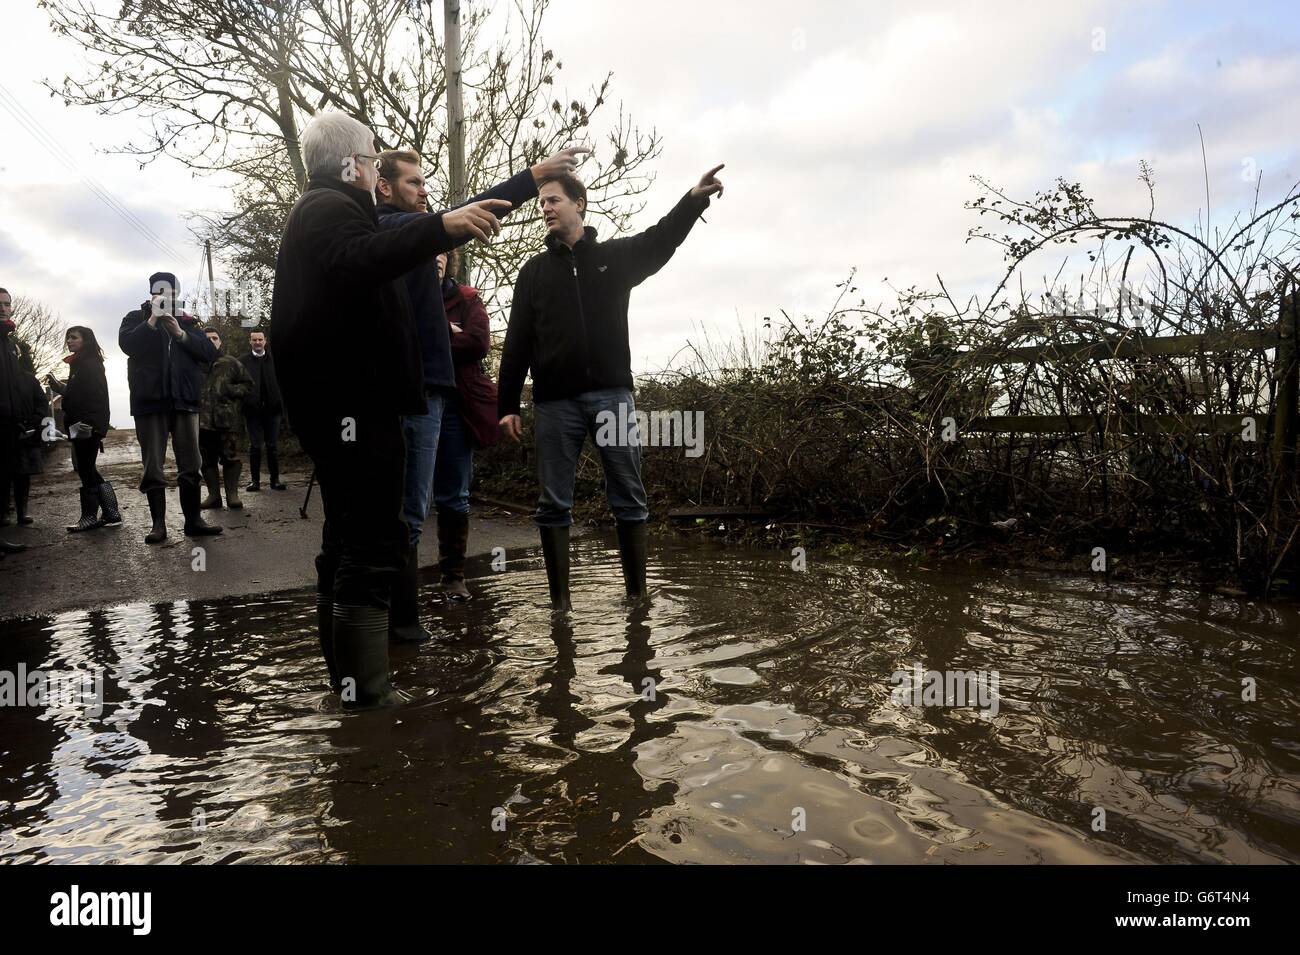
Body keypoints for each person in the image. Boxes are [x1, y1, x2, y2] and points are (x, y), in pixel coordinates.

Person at [270, 109, 513, 708]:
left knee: (349, 540)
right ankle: (366, 698)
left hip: (347, 406)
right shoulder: (328, 211)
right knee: (371, 544)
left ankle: (351, 689)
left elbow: (379, 249)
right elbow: (368, 254)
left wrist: (526, 179)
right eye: (374, 158)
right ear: (353, 164)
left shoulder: (330, 214)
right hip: (353, 408)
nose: (378, 168)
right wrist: (440, 227)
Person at [374, 143, 586, 639]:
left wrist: (530, 179)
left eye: (427, 183)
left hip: (440, 395)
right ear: (383, 186)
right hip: (411, 394)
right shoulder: (385, 230)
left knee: (434, 500)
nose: (425, 192)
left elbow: (478, 340)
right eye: (414, 183)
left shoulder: (444, 270)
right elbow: (449, 220)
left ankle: (413, 610)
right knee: (406, 509)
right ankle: (397, 625)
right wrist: (530, 178)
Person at [497, 164, 725, 609]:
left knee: (628, 496)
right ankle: (559, 604)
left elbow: (661, 239)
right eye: (541, 201)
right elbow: (517, 342)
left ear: (578, 205)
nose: (544, 207)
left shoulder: (615, 259)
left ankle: (637, 598)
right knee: (553, 503)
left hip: (611, 396)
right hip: (554, 403)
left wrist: (694, 199)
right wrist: (508, 404)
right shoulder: (533, 273)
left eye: (553, 199)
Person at [118, 273, 222, 543]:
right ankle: (158, 525)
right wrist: (152, 319)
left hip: (185, 401)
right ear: (152, 294)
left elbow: (209, 354)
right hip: (150, 403)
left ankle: (194, 521)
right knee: (153, 465)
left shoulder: (190, 321)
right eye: (160, 292)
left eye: (171, 292)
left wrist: (180, 333)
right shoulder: (134, 318)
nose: (166, 296)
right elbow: (128, 345)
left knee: (191, 464)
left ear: (177, 293)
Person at [434, 249, 501, 601]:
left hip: (458, 406)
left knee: (454, 494)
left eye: (443, 253)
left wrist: (435, 333)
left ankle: (453, 576)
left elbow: (478, 342)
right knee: (408, 497)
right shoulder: (400, 293)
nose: (437, 258)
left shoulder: (467, 298)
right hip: (414, 403)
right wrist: (447, 330)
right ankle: (397, 584)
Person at [46, 326, 119, 532]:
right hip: (82, 424)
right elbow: (76, 394)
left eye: (74, 337)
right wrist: (59, 387)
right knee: (87, 468)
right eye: (68, 337)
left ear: (85, 340)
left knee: (86, 469)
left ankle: (90, 517)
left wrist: (91, 425)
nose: (69, 341)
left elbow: (96, 397)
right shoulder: (80, 364)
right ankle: (111, 512)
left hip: (85, 425)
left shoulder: (89, 364)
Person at [0, 287, 50, 541]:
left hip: (19, 427)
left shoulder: (9, 344)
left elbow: (40, 402)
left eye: (7, 304)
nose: (3, 308)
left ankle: (19, 511)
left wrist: (32, 423)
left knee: (19, 474)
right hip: (6, 424)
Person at [198, 327, 255, 510]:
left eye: (215, 338)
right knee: (207, 460)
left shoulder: (231, 363)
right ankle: (214, 496)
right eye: (207, 338)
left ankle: (232, 495)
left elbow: (249, 384)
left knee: (231, 457)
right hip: (202, 422)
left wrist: (232, 391)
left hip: (227, 420)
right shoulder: (195, 363)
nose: (212, 341)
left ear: (220, 341)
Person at [238, 329, 285, 491]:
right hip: (253, 412)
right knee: (255, 446)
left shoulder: (275, 359)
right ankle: (255, 481)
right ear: (250, 341)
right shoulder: (242, 361)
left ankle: (275, 480)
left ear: (265, 341)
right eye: (254, 340)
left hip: (273, 410)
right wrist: (246, 401)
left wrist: (280, 402)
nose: (257, 342)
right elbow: (236, 383)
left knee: (272, 446)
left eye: (260, 339)